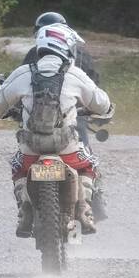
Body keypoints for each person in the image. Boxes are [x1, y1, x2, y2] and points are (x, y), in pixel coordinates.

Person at [0, 23, 113, 237]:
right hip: (67, 148)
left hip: (31, 148)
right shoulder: (74, 74)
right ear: (65, 47)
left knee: (17, 167)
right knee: (90, 165)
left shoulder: (23, 73)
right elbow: (102, 104)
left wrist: (8, 110)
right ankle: (84, 208)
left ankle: (25, 209)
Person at [22, 12, 108, 219]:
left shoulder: (34, 54)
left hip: (36, 119)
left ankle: (25, 205)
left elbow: (20, 85)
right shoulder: (81, 55)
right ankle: (95, 206)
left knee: (24, 159)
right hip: (75, 119)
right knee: (88, 158)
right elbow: (95, 88)